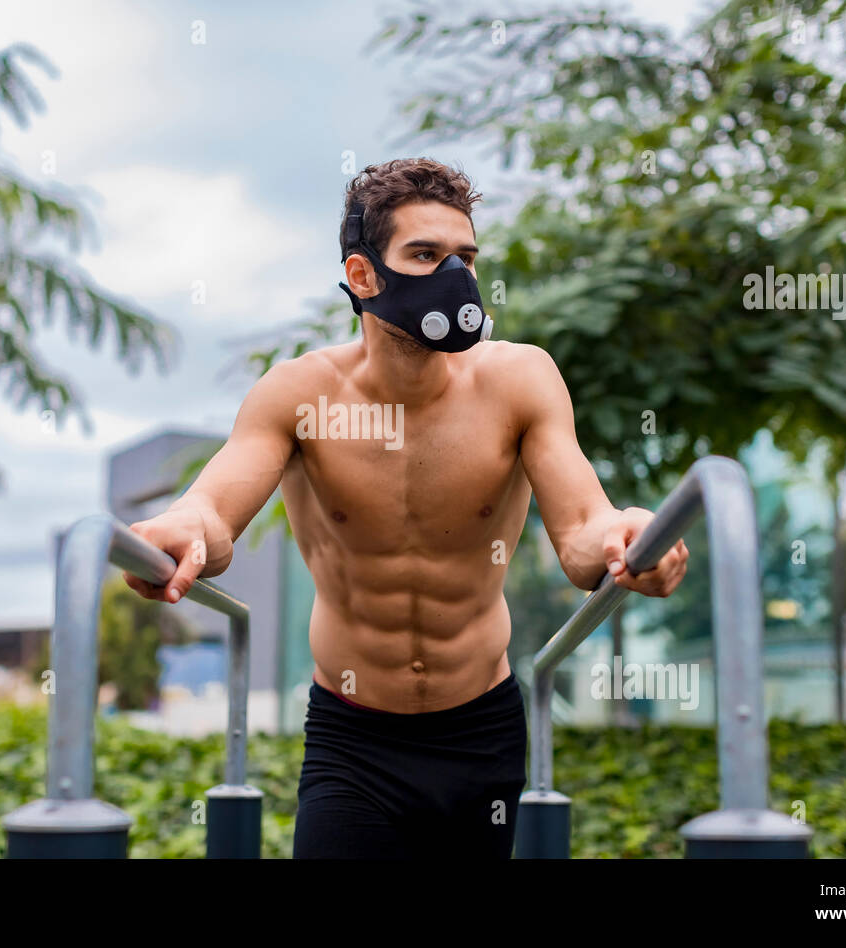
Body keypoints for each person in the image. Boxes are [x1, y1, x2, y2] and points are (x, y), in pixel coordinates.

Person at [123, 157, 689, 858]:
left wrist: (628, 538)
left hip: (480, 729)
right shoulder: (300, 394)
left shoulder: (519, 380)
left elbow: (582, 534)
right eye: (425, 255)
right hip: (354, 737)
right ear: (364, 276)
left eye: (466, 258)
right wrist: (183, 527)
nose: (456, 278)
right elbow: (215, 511)